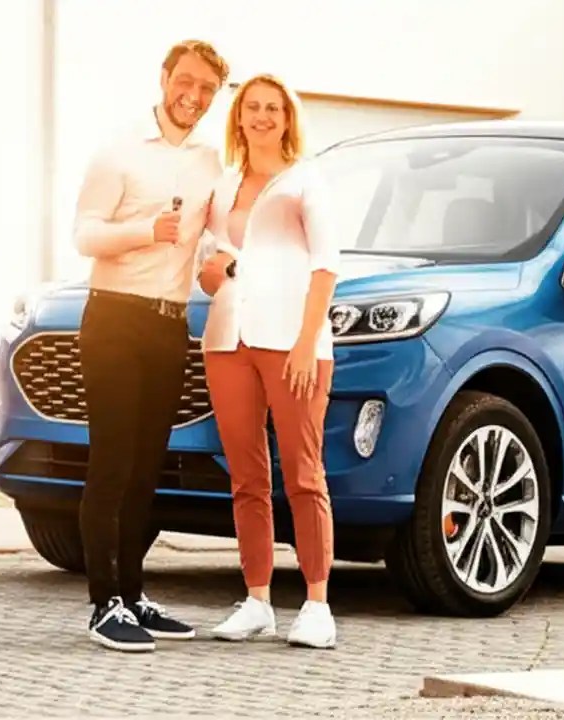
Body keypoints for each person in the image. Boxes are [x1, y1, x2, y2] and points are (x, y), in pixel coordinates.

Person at [72, 39, 229, 653]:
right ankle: (103, 602)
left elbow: (216, 237)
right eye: (184, 81)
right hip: (113, 318)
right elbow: (84, 235)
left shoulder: (209, 160)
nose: (192, 96)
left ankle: (132, 595)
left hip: (170, 324)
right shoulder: (118, 152)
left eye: (207, 89)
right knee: (111, 464)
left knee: (147, 468)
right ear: (164, 78)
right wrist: (147, 231)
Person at [195, 74, 340, 649]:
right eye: (251, 107)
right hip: (227, 339)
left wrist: (308, 341)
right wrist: (218, 271)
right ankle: (257, 599)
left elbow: (326, 266)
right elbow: (211, 263)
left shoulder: (306, 180)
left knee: (304, 475)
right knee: (247, 477)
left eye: (272, 108)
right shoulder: (224, 185)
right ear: (238, 118)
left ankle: (317, 604)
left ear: (286, 118)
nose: (260, 116)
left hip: (292, 342)